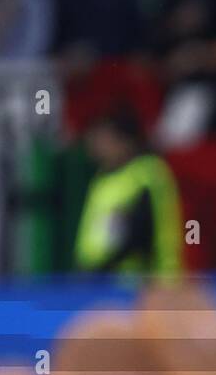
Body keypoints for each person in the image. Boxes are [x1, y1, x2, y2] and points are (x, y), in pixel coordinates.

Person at [75, 110, 182, 275]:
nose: (96, 145)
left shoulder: (147, 174)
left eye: (104, 139)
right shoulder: (103, 177)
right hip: (104, 282)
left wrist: (104, 268)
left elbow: (141, 233)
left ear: (125, 141)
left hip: (140, 284)